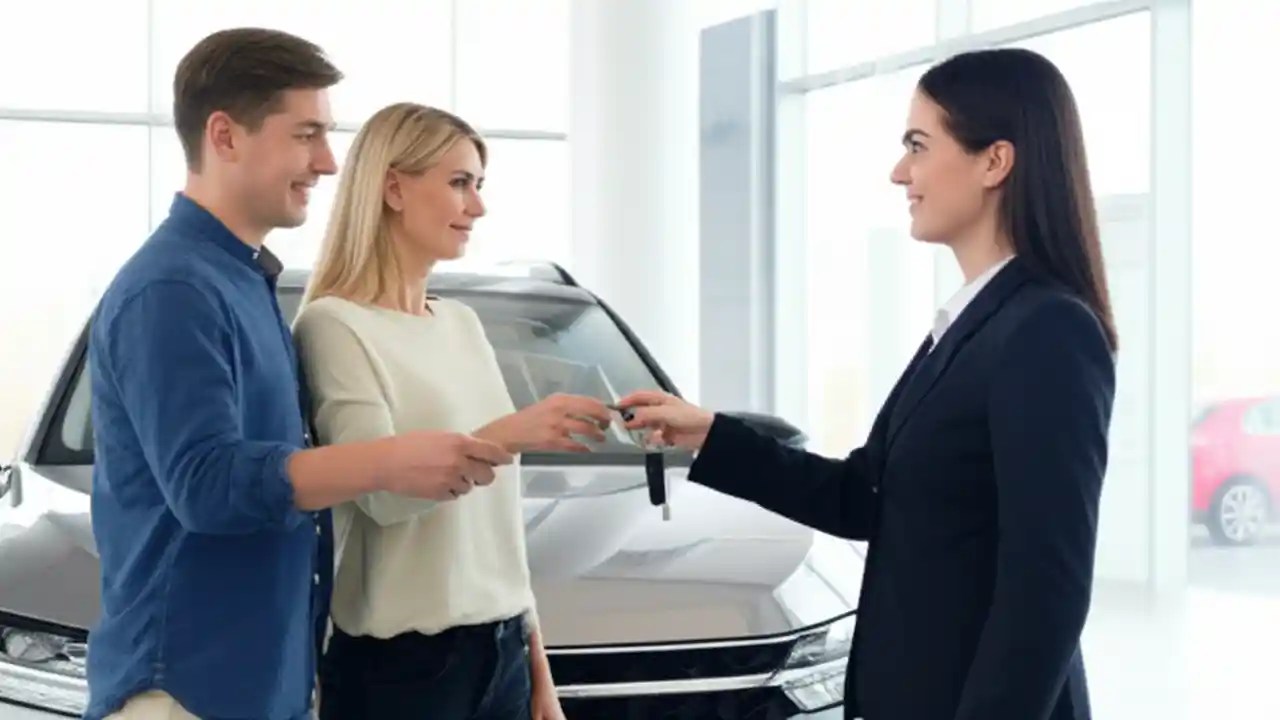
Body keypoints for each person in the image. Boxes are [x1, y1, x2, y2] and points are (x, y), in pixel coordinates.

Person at [619, 48, 1117, 720]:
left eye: (918, 145)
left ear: (995, 162)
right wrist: (711, 436)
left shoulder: (1046, 329)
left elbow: (1047, 586)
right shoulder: (971, 325)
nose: (899, 173)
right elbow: (864, 498)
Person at [87, 30, 511, 720]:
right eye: (306, 134)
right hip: (185, 691)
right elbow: (207, 485)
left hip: (258, 684)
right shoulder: (172, 289)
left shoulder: (243, 283)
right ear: (225, 135)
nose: (328, 161)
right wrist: (384, 462)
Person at [292, 102, 607, 720]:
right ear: (393, 188)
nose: (477, 206)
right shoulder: (334, 324)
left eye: (479, 186)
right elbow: (383, 498)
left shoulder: (460, 323)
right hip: (403, 674)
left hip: (503, 653)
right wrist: (511, 433)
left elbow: (500, 528)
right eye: (460, 183)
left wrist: (539, 672)